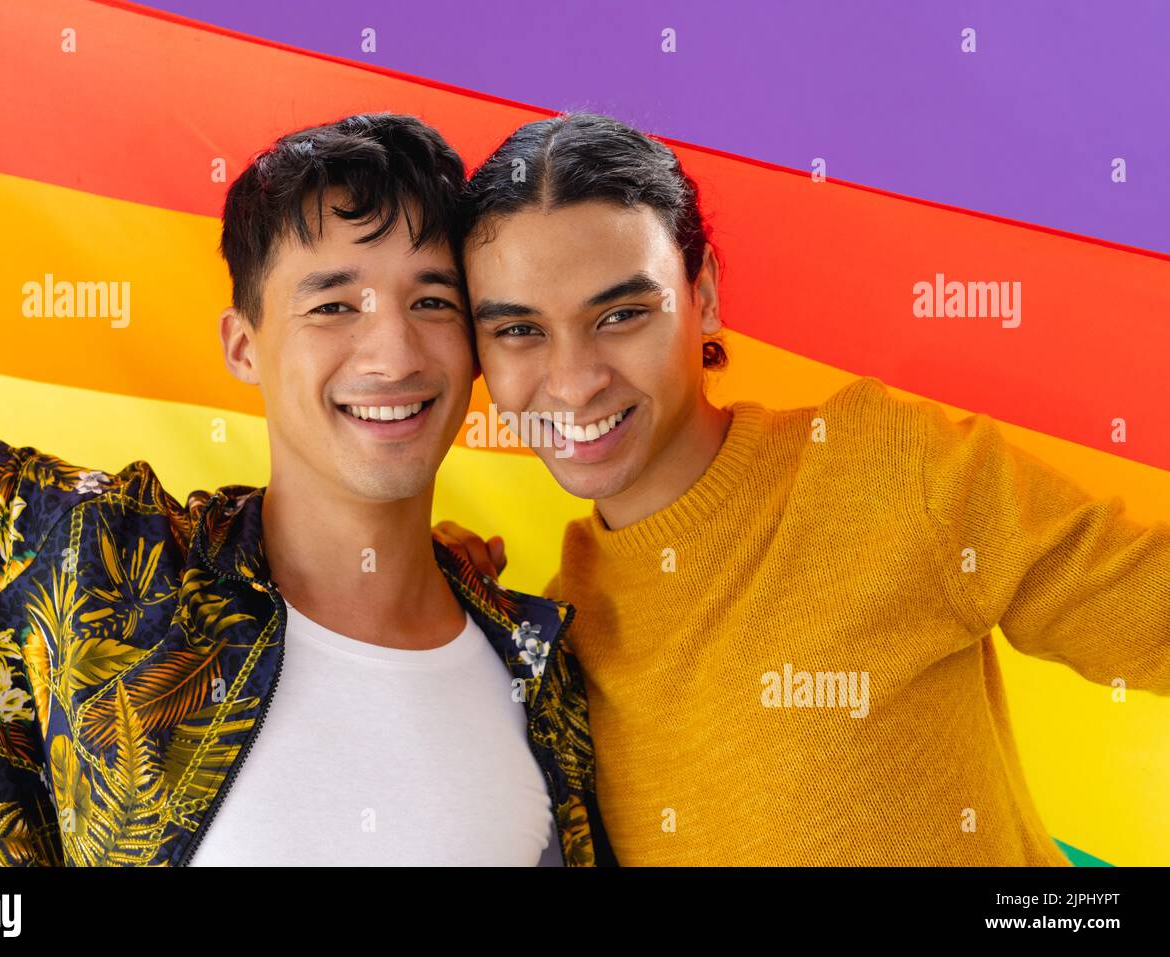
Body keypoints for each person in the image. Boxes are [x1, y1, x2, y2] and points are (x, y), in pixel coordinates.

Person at [0, 113, 613, 866]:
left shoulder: (545, 670)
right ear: (243, 345)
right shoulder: (93, 563)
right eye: (331, 305)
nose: (394, 354)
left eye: (432, 302)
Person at [442, 111, 1170, 865]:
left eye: (622, 314)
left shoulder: (887, 470)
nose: (573, 381)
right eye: (520, 330)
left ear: (706, 293)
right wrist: (419, 593)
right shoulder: (549, 646)